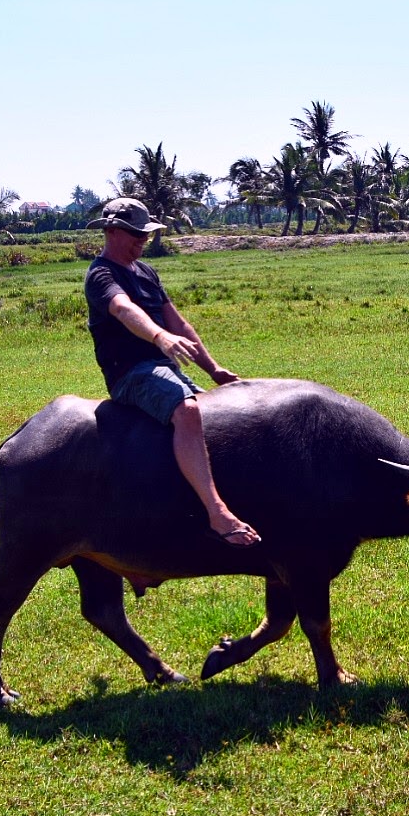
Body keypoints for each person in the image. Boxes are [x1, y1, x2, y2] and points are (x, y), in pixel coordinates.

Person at [84, 197, 261, 553]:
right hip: (130, 373)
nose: (143, 240)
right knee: (188, 410)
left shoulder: (146, 272)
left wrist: (214, 369)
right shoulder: (101, 274)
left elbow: (178, 323)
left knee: (219, 415)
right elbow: (124, 309)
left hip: (165, 369)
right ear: (112, 231)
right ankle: (216, 512)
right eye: (136, 234)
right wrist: (158, 336)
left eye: (145, 234)